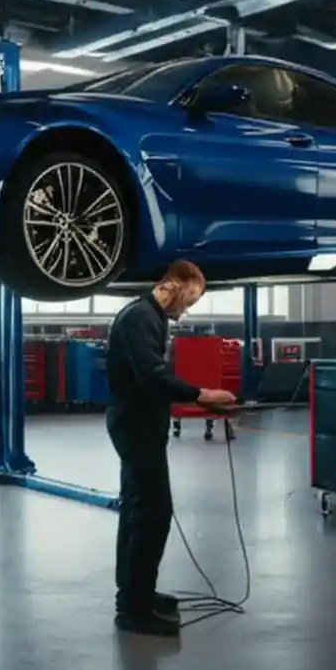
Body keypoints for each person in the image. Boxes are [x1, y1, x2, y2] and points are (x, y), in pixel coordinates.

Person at [106, 260, 237, 637]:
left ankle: (136, 594)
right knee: (153, 513)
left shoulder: (152, 317)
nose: (188, 308)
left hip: (140, 424)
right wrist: (200, 393)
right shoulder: (140, 318)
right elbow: (151, 375)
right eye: (191, 298)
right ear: (177, 285)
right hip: (135, 426)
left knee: (136, 509)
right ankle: (134, 608)